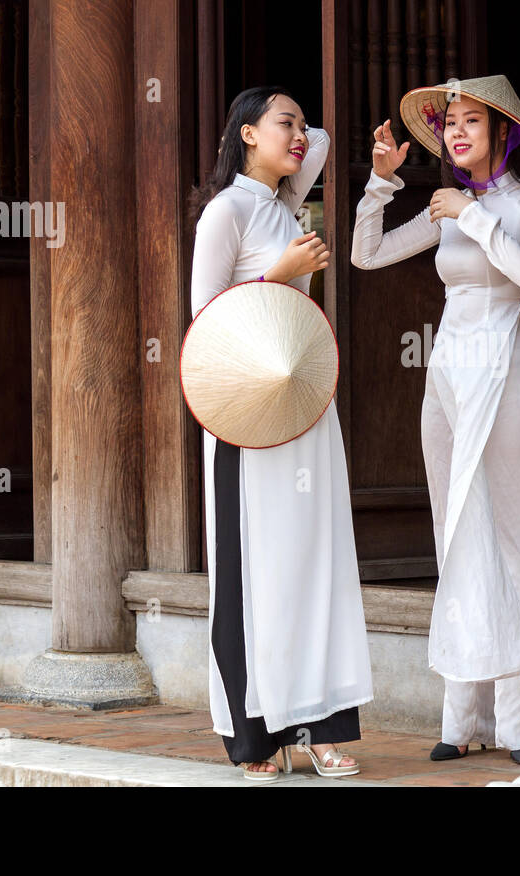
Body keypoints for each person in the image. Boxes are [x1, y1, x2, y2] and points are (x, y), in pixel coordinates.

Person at [350, 75, 520, 765]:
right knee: (459, 536)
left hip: (508, 369)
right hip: (450, 375)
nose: (455, 134)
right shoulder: (444, 205)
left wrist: (473, 213)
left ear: (503, 133)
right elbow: (365, 254)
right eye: (447, 124)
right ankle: (464, 716)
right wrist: (379, 184)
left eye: (469, 123)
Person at [190, 86, 372, 781]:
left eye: (299, 122)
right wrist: (279, 273)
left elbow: (320, 143)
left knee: (312, 561)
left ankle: (321, 728)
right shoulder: (226, 213)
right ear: (245, 134)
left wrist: (290, 137)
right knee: (253, 568)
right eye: (283, 123)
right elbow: (203, 321)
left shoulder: (279, 206)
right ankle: (255, 737)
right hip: (247, 419)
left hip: (305, 407)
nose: (301, 135)